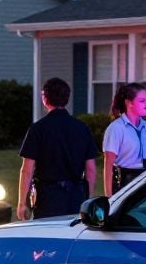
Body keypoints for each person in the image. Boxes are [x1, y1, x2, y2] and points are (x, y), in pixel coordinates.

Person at [17, 77, 98, 220]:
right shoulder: (82, 128)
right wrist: (87, 197)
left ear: (45, 99)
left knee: (48, 237)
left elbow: (27, 169)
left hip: (48, 197)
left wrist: (22, 203)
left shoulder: (38, 129)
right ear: (67, 98)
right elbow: (91, 168)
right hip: (76, 195)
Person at [103, 82, 146, 194]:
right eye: (142, 101)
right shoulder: (116, 128)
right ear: (129, 103)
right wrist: (109, 199)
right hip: (124, 186)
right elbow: (108, 165)